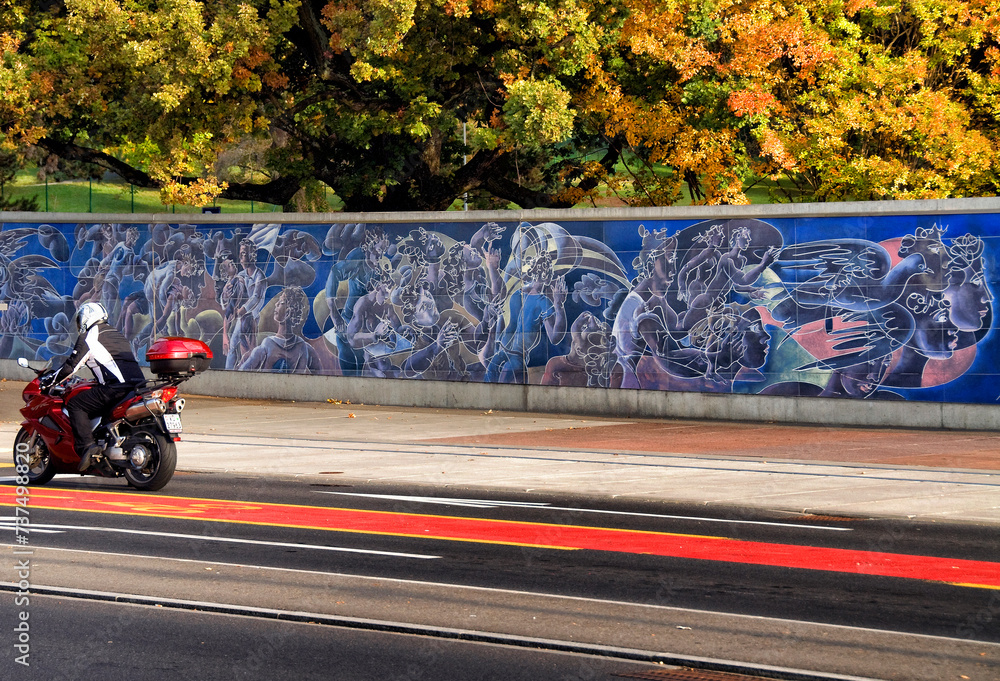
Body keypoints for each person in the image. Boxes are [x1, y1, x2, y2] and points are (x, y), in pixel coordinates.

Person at [51, 302, 145, 471]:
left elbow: (71, 366)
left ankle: (87, 446)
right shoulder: (116, 334)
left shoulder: (90, 336)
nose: (80, 324)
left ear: (87, 317)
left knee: (76, 404)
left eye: (80, 320)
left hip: (116, 388)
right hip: (137, 386)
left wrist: (51, 381)